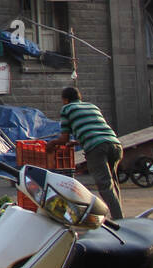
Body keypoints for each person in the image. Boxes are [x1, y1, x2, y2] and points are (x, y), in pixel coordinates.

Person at [51, 85, 123, 220]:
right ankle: (120, 217)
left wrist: (51, 144)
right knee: (113, 183)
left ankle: (120, 221)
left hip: (96, 148)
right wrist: (78, 142)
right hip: (115, 145)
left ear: (65, 100)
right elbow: (95, 129)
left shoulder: (67, 109)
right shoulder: (92, 106)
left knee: (105, 186)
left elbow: (64, 138)